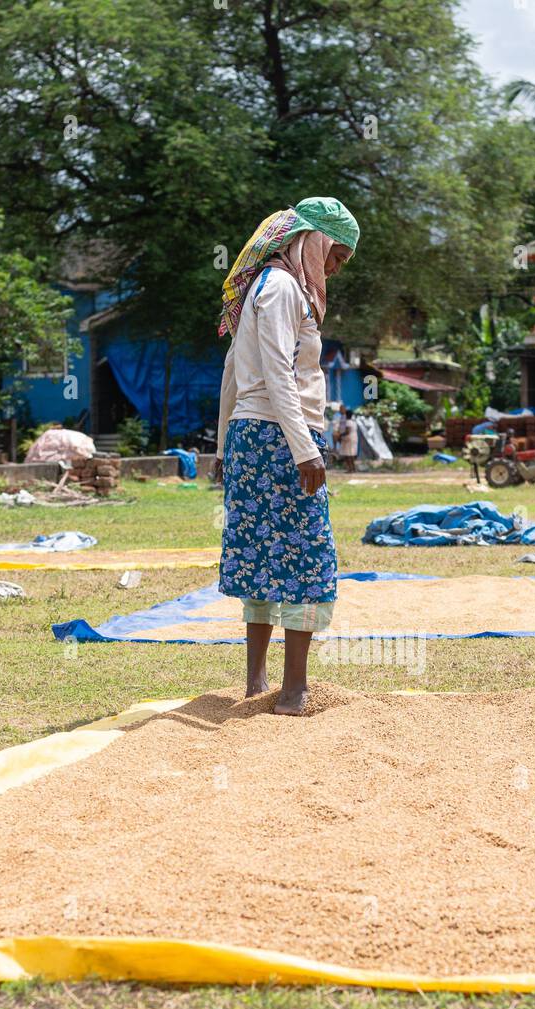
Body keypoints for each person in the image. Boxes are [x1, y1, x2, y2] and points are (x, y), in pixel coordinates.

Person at [216, 197, 359, 715]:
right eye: (336, 256)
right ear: (314, 241)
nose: (336, 269)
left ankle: (256, 683)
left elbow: (232, 372)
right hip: (281, 438)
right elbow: (277, 374)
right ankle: (293, 688)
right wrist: (305, 450)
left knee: (260, 553)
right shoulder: (282, 289)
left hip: (252, 438)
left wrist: (221, 447)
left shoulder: (264, 287)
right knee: (307, 557)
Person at [334, 408, 359, 472]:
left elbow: (347, 432)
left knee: (348, 455)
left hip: (348, 440)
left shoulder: (348, 422)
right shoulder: (353, 422)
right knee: (351, 454)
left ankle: (350, 469)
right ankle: (352, 468)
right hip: (353, 439)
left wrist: (340, 435)